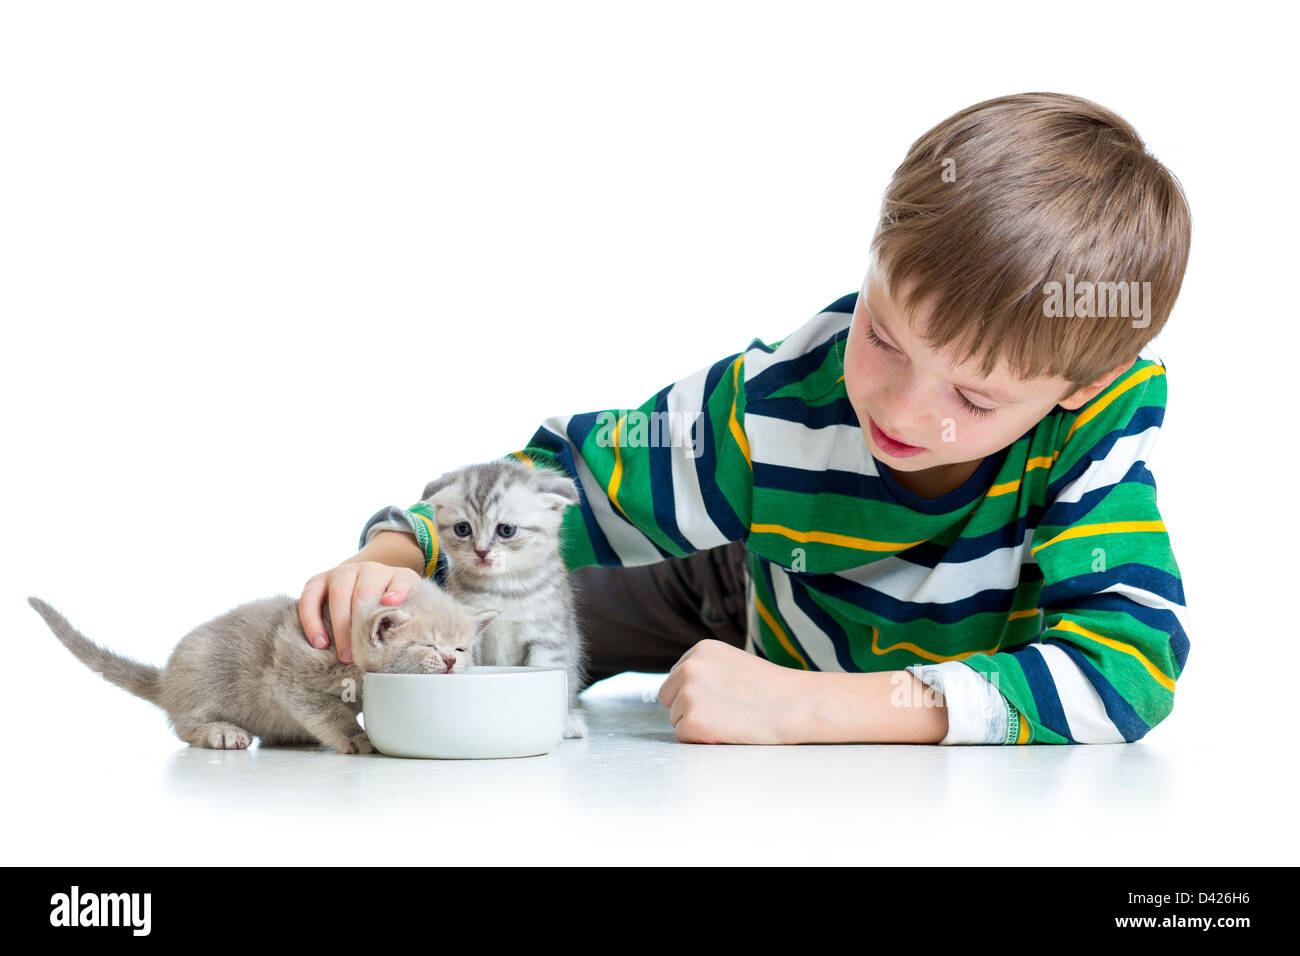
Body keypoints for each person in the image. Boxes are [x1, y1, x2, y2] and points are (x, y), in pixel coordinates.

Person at [299, 92, 1191, 746]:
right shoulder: (778, 402)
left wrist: (808, 705)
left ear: (1078, 386)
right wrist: (396, 553)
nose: (902, 409)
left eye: (974, 399)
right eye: (882, 336)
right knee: (485, 611)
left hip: (819, 640)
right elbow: (568, 483)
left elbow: (1130, 670)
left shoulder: (1092, 435)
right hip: (738, 569)